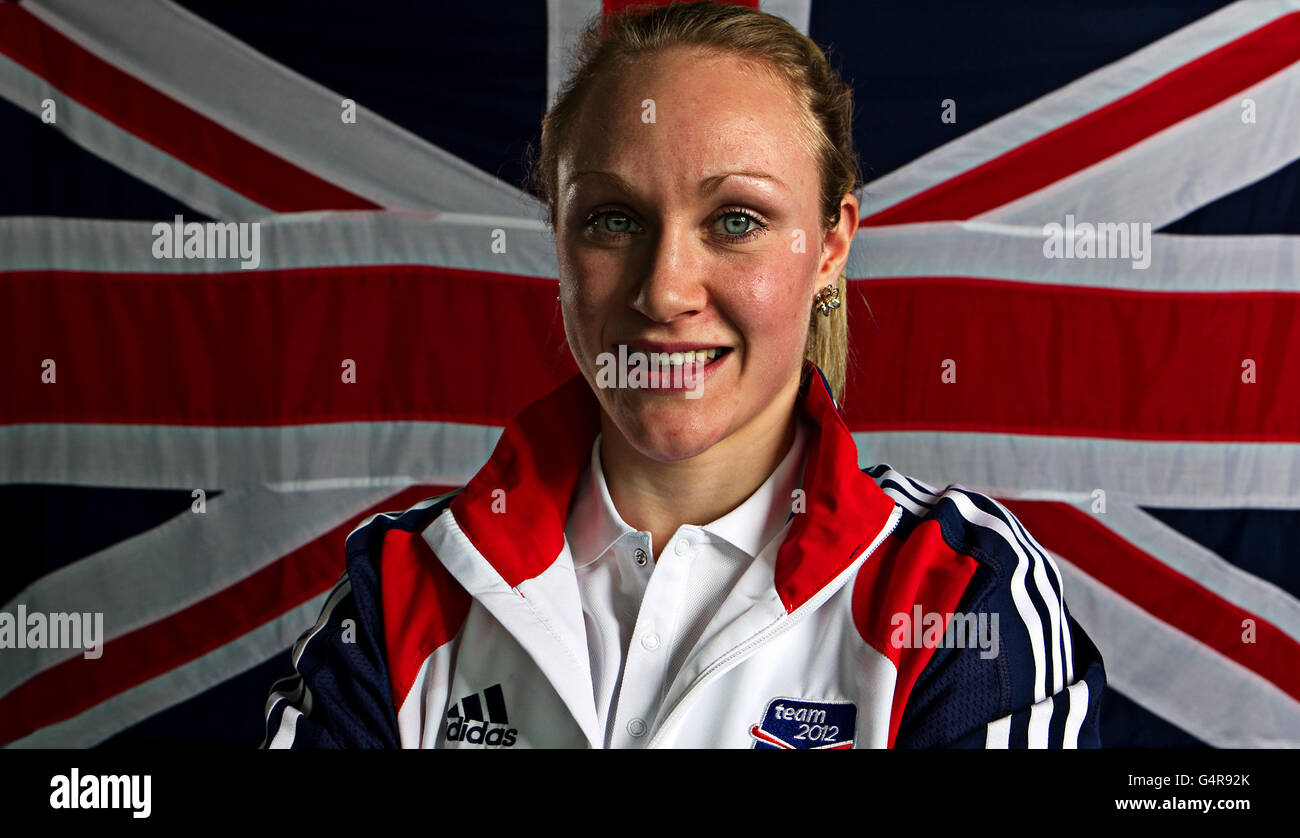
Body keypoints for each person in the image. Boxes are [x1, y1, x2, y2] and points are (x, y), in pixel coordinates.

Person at [262, 1, 1104, 749]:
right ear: (559, 239)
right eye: (614, 219)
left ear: (832, 247)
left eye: (736, 220)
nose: (664, 290)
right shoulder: (399, 593)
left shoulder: (960, 592)